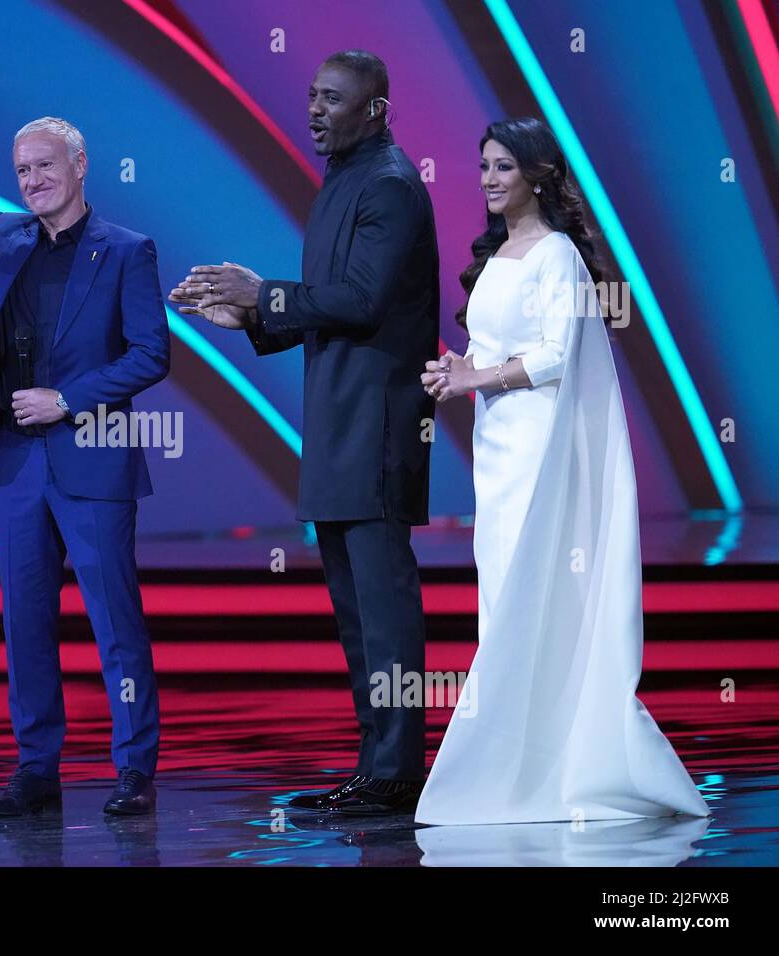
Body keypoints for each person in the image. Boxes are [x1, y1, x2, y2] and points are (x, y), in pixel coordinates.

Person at [413, 118, 709, 825]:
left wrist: (475, 378)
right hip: (500, 446)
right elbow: (494, 344)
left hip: (540, 442)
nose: (487, 178)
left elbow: (553, 355)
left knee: (533, 586)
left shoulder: (557, 257)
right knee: (504, 592)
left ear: (538, 174)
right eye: (483, 165)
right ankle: (521, 763)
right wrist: (460, 368)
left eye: (503, 167)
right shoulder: (499, 251)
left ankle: (545, 767)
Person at [169, 51, 438, 815]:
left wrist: (265, 296)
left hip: (377, 425)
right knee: (356, 611)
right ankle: (375, 766)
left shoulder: (388, 184)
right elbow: (329, 301)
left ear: (375, 111)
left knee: (383, 607)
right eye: (314, 96)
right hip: (340, 422)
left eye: (333, 99)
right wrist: (254, 313)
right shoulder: (347, 176)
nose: (316, 110)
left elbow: (361, 298)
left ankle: (395, 771)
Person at [0, 108, 169, 816]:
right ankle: (37, 768)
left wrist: (67, 400)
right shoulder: (3, 236)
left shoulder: (128, 249)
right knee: (25, 621)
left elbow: (150, 354)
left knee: (116, 622)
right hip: (18, 464)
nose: (32, 180)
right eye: (21, 170)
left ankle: (133, 769)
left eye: (45, 165)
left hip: (94, 459)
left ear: (80, 167)